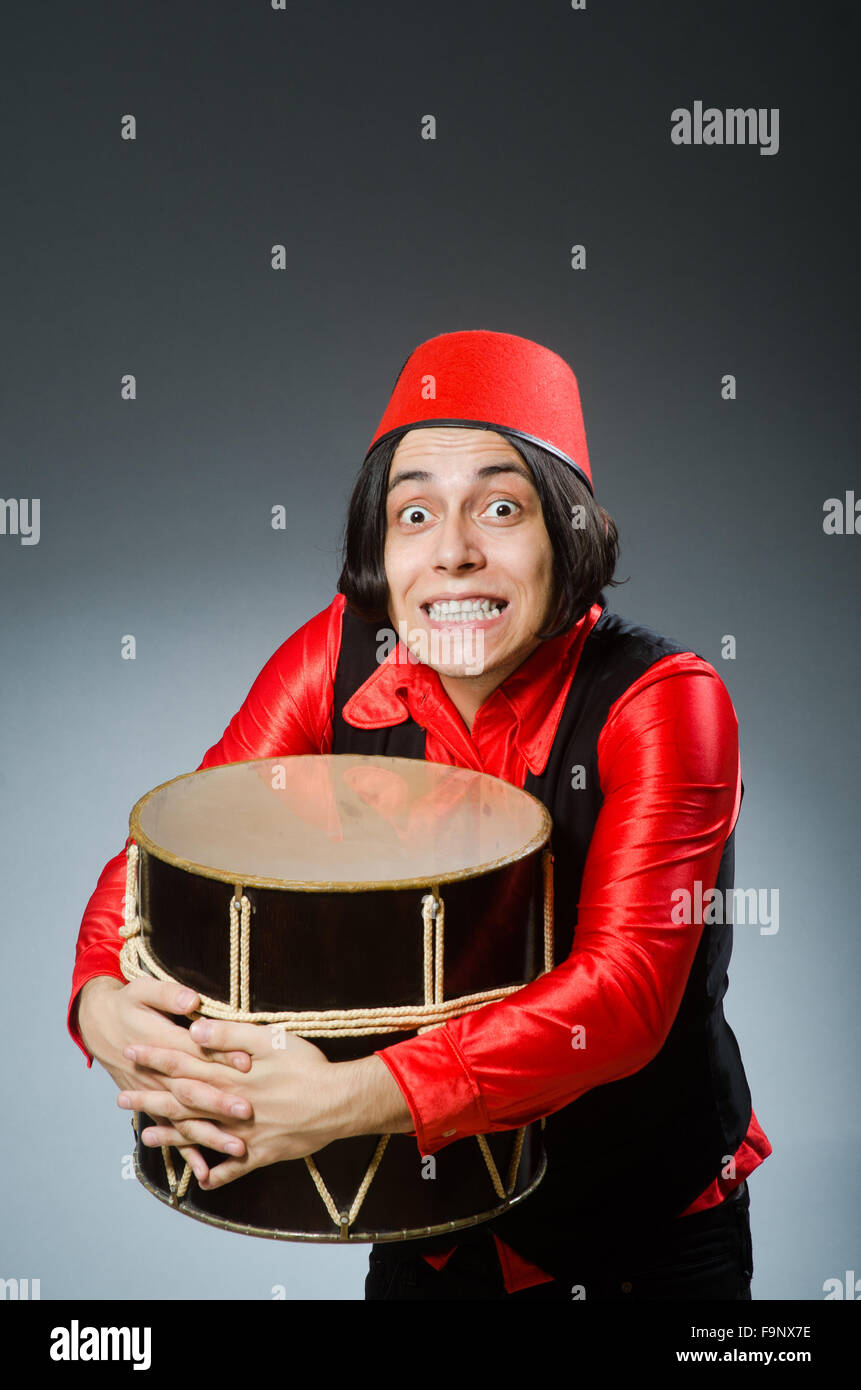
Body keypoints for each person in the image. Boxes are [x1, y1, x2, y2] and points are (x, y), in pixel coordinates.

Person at [69, 329, 771, 1300]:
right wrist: (103, 998)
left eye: (498, 506)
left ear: (568, 531)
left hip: (646, 1236)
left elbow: (623, 1000)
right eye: (413, 513)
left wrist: (346, 1098)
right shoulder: (335, 654)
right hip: (429, 1223)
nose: (453, 553)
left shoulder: (665, 701)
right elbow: (173, 855)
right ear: (379, 544)